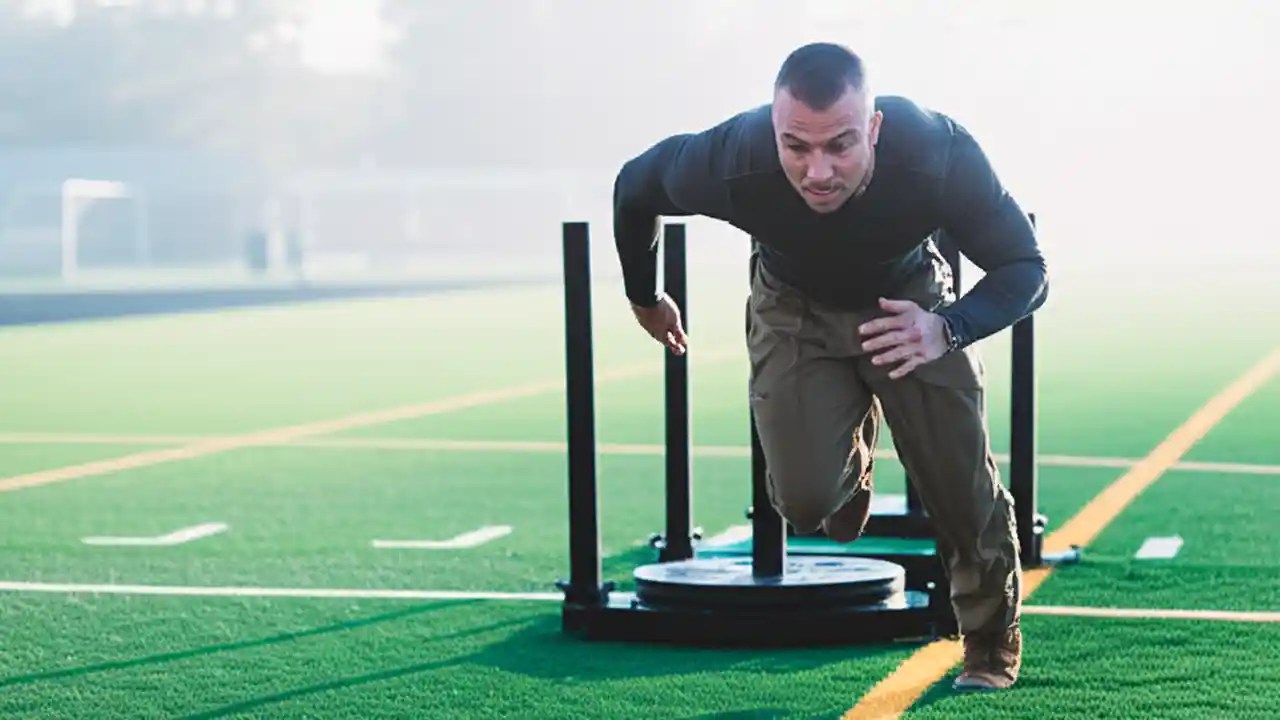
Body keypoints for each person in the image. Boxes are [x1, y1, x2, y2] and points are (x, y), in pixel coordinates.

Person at [610, 42, 1043, 691]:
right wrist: (644, 295)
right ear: (776, 131)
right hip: (793, 305)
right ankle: (852, 458)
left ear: (873, 128)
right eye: (797, 147)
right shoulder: (735, 157)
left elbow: (1026, 268)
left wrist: (947, 328)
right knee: (807, 504)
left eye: (840, 145)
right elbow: (634, 186)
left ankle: (987, 639)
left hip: (907, 305)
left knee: (958, 485)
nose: (817, 172)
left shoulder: (936, 153)